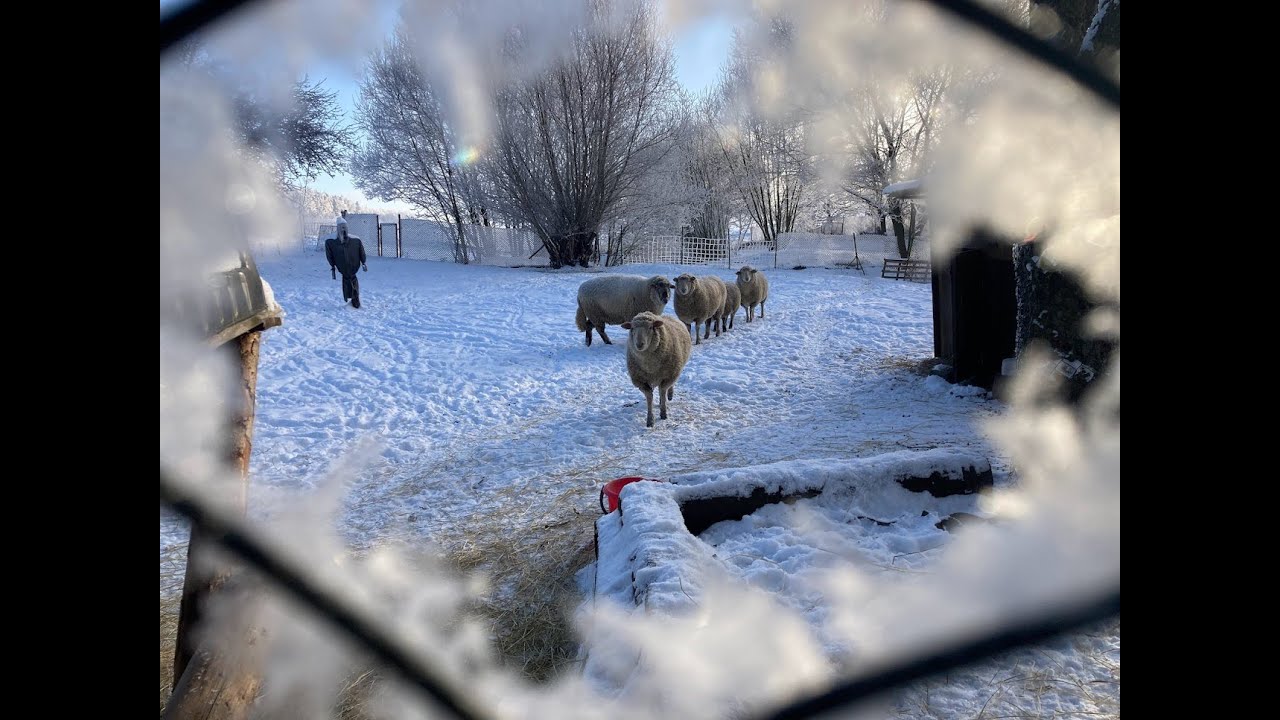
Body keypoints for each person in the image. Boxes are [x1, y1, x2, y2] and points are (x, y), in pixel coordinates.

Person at [325, 216, 368, 308]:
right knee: (350, 280)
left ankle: (354, 298)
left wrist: (363, 262)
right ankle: (354, 298)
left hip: (350, 267)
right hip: (347, 267)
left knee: (350, 280)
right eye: (342, 227)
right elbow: (330, 256)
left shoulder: (354, 240)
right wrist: (333, 266)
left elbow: (361, 252)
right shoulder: (331, 242)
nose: (343, 229)